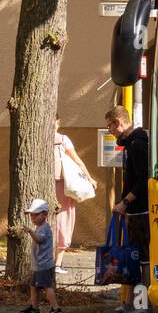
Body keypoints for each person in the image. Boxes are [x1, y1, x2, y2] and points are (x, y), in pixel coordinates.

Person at [105, 106, 153, 313]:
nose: (109, 130)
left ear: (119, 122)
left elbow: (143, 180)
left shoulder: (137, 145)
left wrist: (126, 202)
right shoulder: (130, 144)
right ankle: (129, 304)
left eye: (110, 125)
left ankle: (143, 306)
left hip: (140, 211)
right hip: (133, 211)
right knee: (134, 257)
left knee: (142, 258)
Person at [52, 116, 96, 277]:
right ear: (58, 122)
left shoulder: (41, 139)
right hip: (63, 185)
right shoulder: (63, 140)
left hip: (49, 183)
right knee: (64, 219)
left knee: (50, 220)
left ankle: (50, 261)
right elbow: (77, 161)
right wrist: (89, 178)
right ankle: (57, 262)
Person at [20, 198, 61, 313]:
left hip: (44, 265)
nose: (33, 218)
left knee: (48, 287)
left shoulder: (44, 228)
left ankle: (55, 308)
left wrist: (30, 232)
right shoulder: (39, 227)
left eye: (36, 215)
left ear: (45, 214)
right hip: (38, 265)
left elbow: (39, 239)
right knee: (33, 286)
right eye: (31, 215)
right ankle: (34, 307)